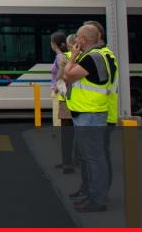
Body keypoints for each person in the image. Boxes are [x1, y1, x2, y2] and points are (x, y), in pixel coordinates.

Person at [62, 22, 117, 213]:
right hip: (90, 113)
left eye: (77, 37)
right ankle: (92, 195)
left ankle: (97, 199)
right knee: (91, 158)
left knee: (94, 159)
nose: (75, 40)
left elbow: (67, 76)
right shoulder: (99, 55)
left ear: (83, 40)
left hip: (90, 114)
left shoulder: (92, 57)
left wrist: (73, 57)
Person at [50, 31, 75, 175]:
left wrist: (58, 90)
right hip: (68, 99)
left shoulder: (62, 58)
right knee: (68, 133)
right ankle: (69, 161)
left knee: (66, 133)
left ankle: (68, 163)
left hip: (66, 100)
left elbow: (62, 79)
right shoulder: (68, 57)